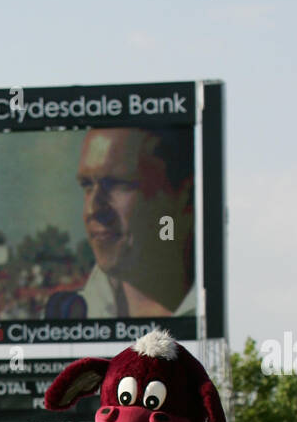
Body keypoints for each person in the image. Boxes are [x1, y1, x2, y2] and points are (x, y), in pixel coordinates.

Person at [46, 127, 196, 320]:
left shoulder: (225, 309)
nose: (92, 209)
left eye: (117, 184)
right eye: (87, 185)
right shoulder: (66, 318)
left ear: (184, 196)